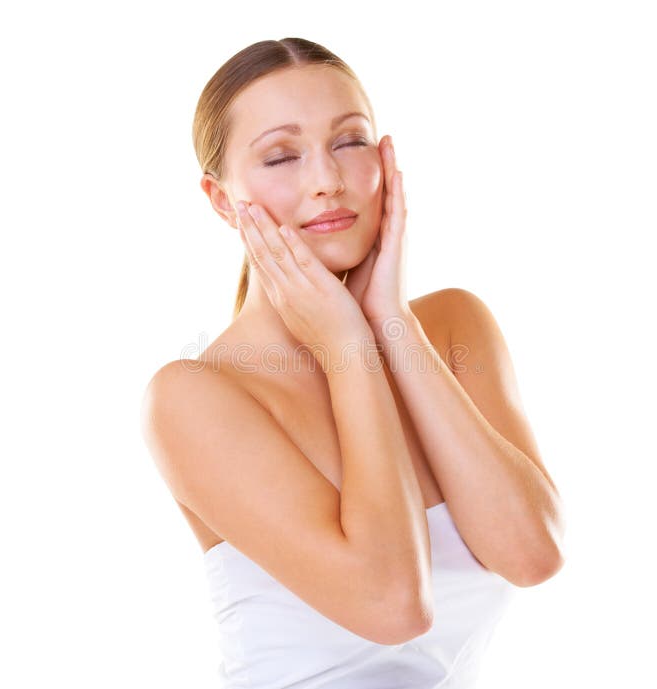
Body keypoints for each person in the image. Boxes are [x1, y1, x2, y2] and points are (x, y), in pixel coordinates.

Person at [141, 37, 566, 689]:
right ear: (222, 200)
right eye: (282, 155)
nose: (327, 180)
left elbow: (532, 554)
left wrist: (390, 324)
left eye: (350, 141)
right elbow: (393, 604)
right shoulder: (193, 396)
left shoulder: (455, 325)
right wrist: (347, 348)